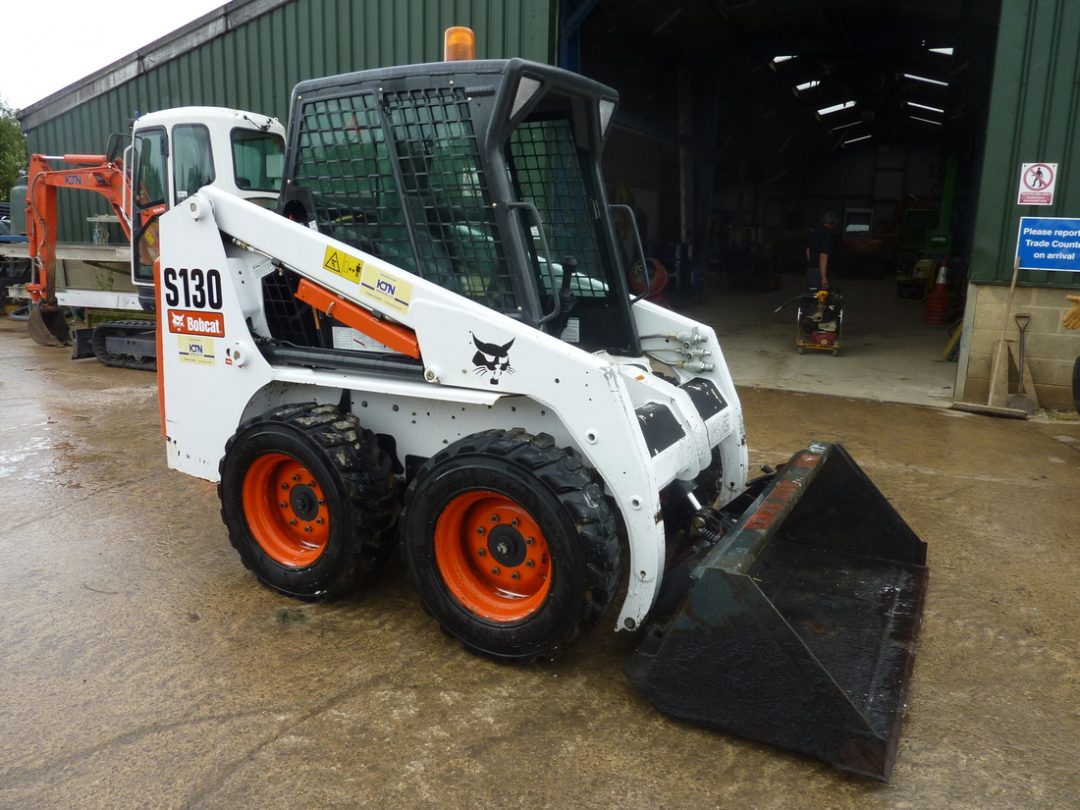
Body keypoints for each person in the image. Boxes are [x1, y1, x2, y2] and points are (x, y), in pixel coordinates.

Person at [806, 211, 839, 290]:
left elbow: (807, 250)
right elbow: (823, 256)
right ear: (834, 223)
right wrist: (823, 277)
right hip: (819, 271)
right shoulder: (828, 235)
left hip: (811, 270)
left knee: (811, 295)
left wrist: (811, 263)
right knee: (821, 296)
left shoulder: (815, 231)